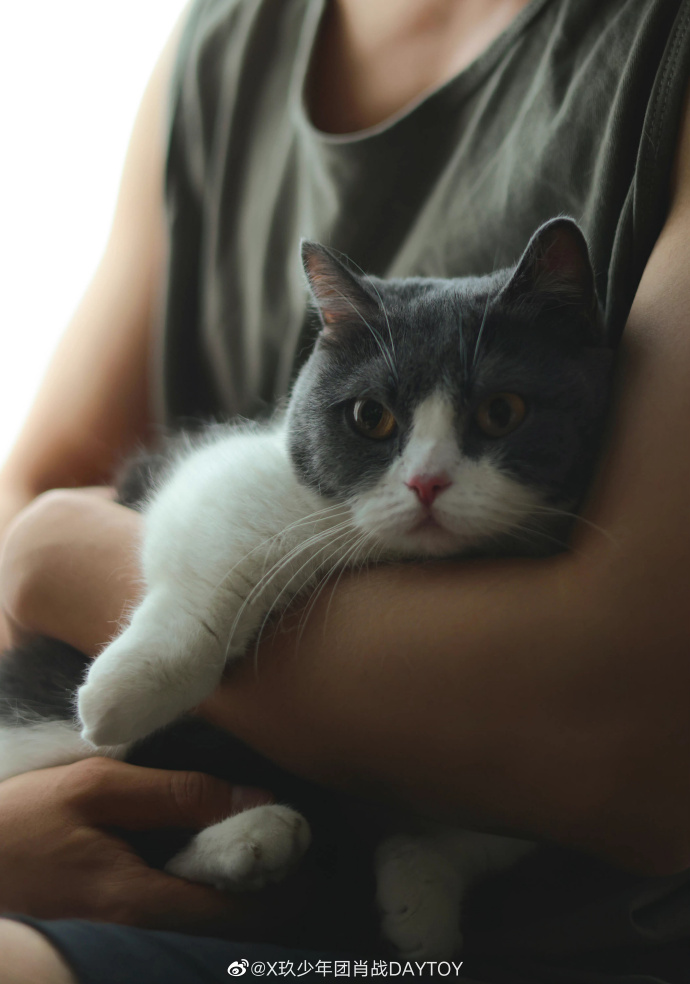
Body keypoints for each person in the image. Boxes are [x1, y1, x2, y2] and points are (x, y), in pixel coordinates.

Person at [1, 0, 690, 980]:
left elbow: (618, 747)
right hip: (135, 813)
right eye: (374, 423)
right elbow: (39, 482)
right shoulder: (221, 42)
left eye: (495, 417)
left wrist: (65, 561)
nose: (428, 478)